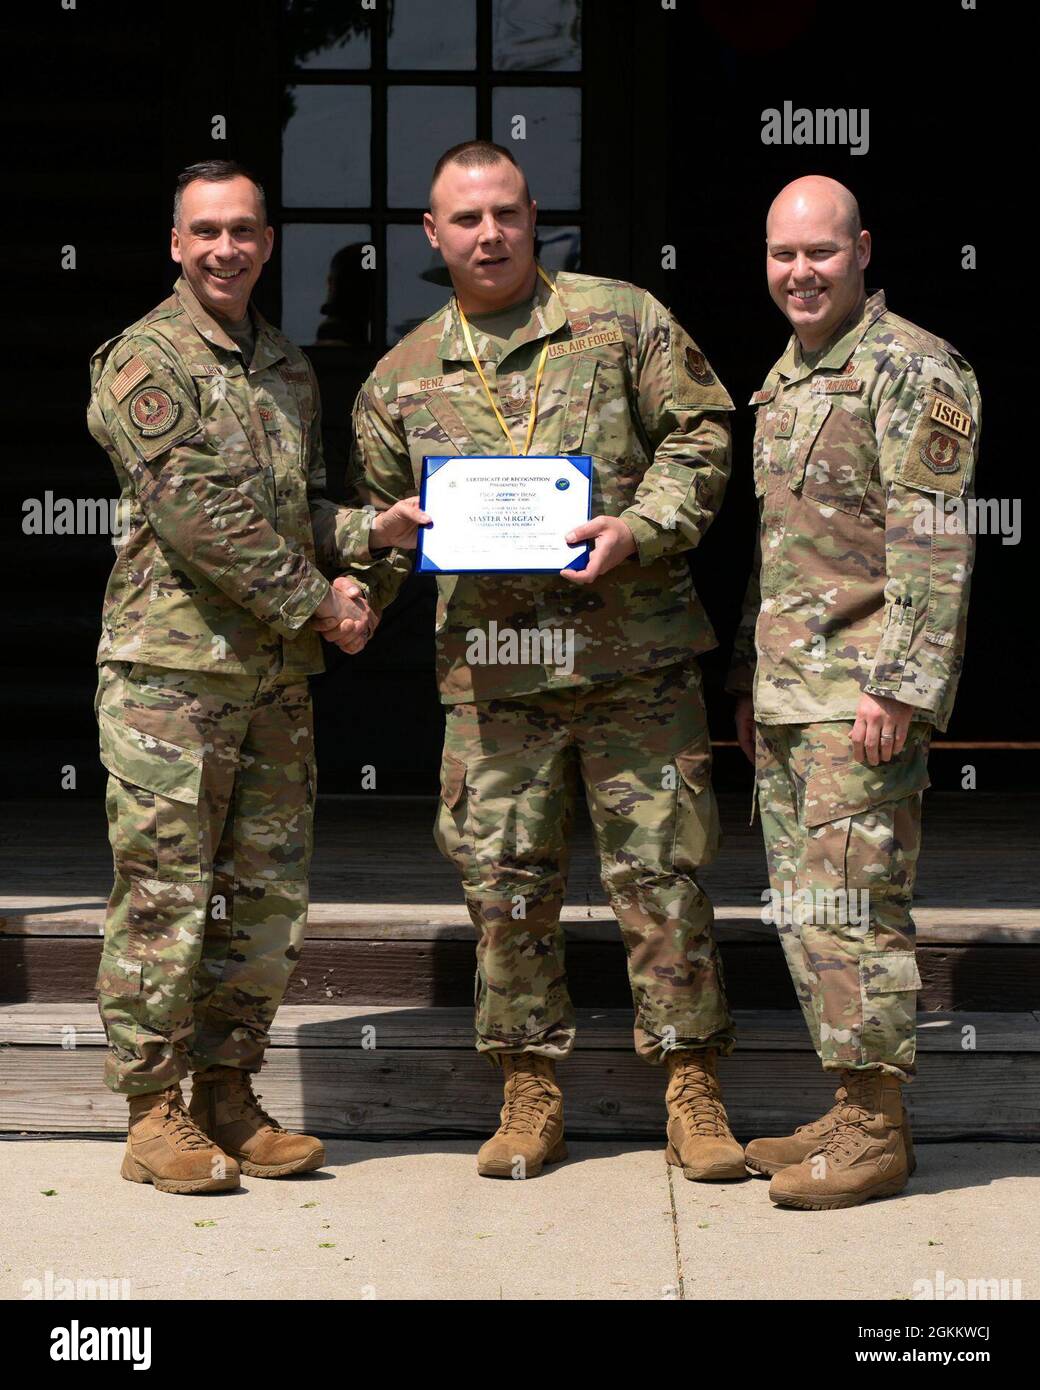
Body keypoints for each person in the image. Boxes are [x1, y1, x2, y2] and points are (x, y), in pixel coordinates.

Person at [341, 140, 742, 1181]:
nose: (488, 234)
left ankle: (691, 1087)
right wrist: (352, 583)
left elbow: (699, 436)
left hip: (633, 661)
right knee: (506, 887)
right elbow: (389, 530)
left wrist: (640, 527)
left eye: (506, 214)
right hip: (495, 682)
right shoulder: (397, 379)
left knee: (662, 878)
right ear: (432, 235)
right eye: (466, 219)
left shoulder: (623, 320)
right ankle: (527, 1088)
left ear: (535, 218)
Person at [87, 159, 425, 1194]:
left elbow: (293, 509)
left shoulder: (284, 365)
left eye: (243, 230)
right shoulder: (141, 362)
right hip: (170, 683)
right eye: (206, 232)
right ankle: (154, 1115)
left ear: (266, 241)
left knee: (262, 907)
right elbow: (201, 520)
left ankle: (228, 1095)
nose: (226, 248)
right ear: (177, 246)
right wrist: (321, 600)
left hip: (273, 685)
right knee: (164, 902)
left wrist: (368, 532)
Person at [727, 175, 980, 1210]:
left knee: (855, 909)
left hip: (859, 697)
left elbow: (931, 546)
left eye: (819, 252)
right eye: (782, 253)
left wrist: (899, 687)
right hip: (792, 694)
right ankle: (846, 1099)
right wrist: (748, 676)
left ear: (861, 249)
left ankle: (877, 1131)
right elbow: (779, 548)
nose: (798, 271)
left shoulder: (912, 369)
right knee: (806, 910)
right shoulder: (786, 377)